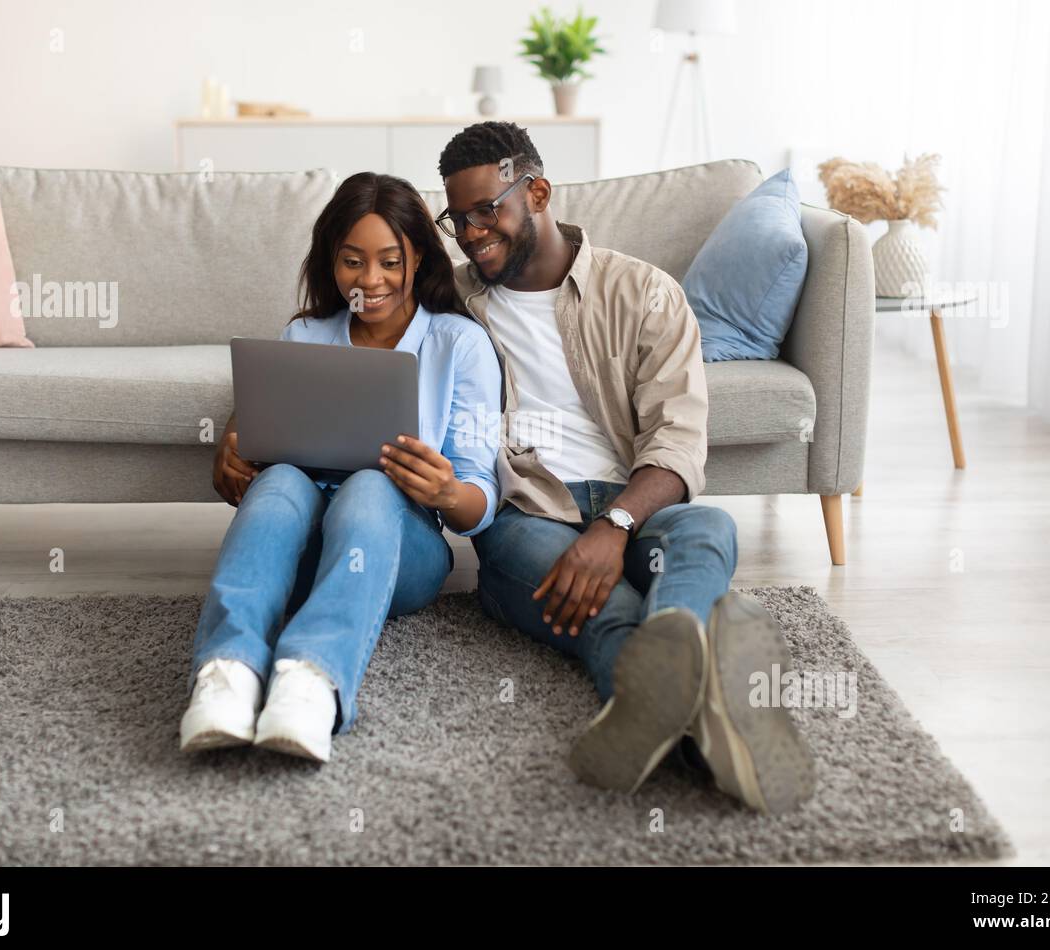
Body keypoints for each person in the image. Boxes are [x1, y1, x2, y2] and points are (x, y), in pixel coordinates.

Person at [435, 122, 816, 813]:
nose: (470, 233)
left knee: (705, 529)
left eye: (486, 210)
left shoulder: (643, 292)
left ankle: (675, 692)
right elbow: (358, 327)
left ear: (539, 191)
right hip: (530, 515)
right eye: (457, 219)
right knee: (609, 608)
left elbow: (676, 442)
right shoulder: (452, 303)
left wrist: (614, 525)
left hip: (637, 502)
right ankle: (718, 718)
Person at [180, 172, 501, 762]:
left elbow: (479, 501)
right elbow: (247, 447)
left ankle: (310, 680)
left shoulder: (459, 344)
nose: (370, 280)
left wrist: (445, 489)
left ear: (419, 258)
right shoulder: (304, 335)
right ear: (331, 261)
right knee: (279, 479)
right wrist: (232, 456)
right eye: (353, 261)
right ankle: (227, 673)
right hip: (299, 552)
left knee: (371, 485)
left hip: (400, 551)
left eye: (389, 261)